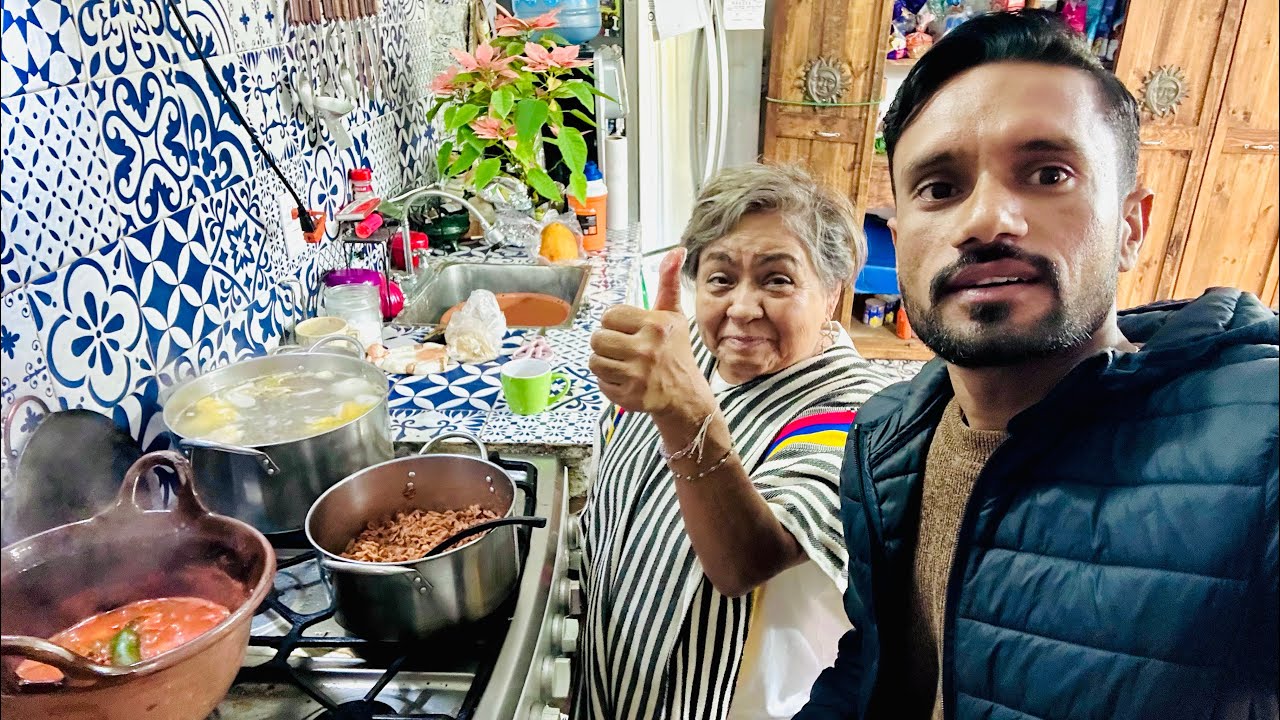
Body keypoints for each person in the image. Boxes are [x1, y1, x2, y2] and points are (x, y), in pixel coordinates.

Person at [799, 10, 1279, 720]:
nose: (987, 219)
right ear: (899, 242)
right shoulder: (885, 440)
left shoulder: (1260, 440)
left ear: (1131, 225)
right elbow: (875, 669)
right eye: (939, 188)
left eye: (1048, 174)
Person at [577, 164, 894, 720]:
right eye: (721, 279)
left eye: (777, 280)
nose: (742, 308)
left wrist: (683, 408)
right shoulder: (699, 353)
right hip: (615, 678)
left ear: (832, 292)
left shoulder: (858, 411)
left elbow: (745, 561)